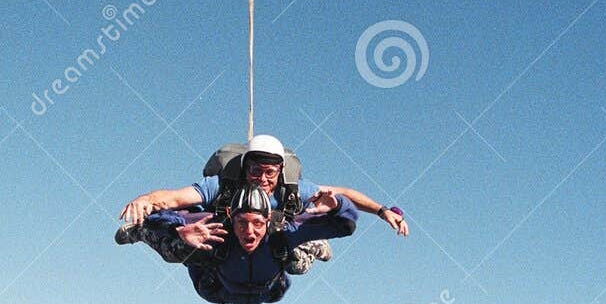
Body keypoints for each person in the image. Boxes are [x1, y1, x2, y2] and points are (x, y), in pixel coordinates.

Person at [118, 134, 408, 237]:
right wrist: (147, 199)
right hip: (223, 239)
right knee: (175, 221)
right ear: (245, 168)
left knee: (320, 208)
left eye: (271, 172)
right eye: (256, 170)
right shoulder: (221, 187)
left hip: (267, 246)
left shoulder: (290, 190)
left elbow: (345, 193)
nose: (264, 179)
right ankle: (138, 232)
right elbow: (173, 197)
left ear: (281, 172)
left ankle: (314, 245)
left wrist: (383, 211)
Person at [122, 185, 359, 304]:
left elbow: (346, 224)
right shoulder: (216, 228)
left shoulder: (282, 232)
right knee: (184, 246)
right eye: (241, 223)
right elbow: (157, 213)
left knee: (297, 259)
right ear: (230, 219)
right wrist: (177, 231)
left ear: (268, 220)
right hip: (217, 289)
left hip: (270, 291)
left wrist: (337, 204)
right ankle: (137, 233)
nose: (249, 231)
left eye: (257, 223)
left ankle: (316, 246)